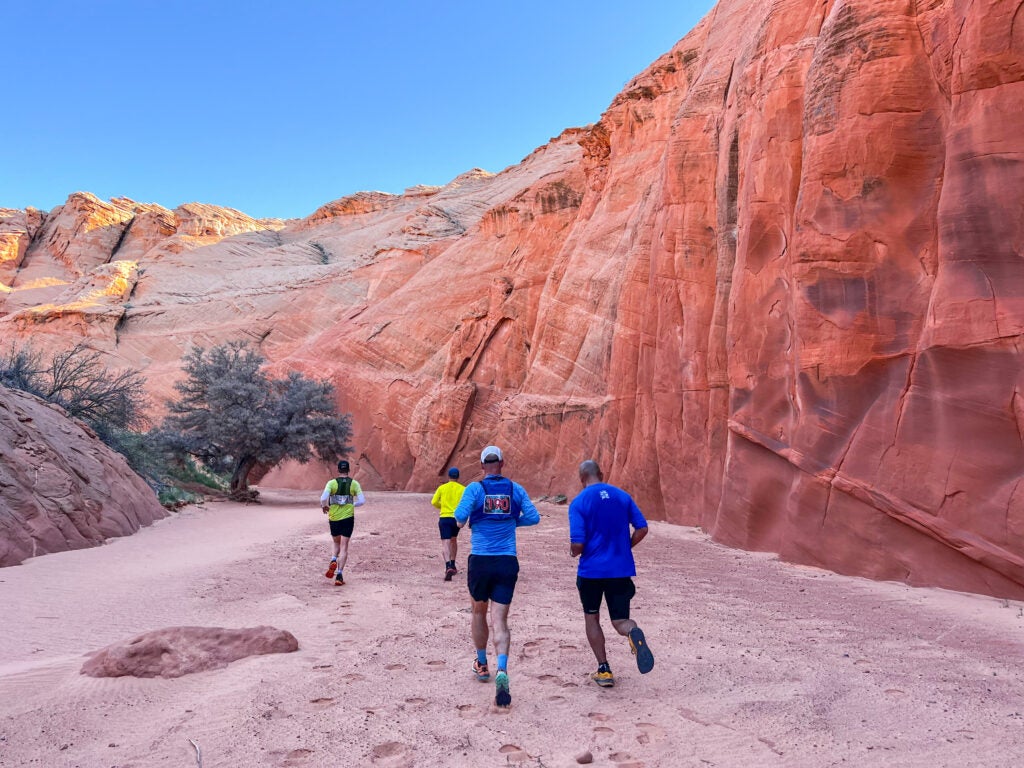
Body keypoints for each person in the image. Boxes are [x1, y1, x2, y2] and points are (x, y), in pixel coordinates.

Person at [452, 445, 540, 708]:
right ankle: (502, 668)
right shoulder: (516, 489)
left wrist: (478, 518)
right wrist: (511, 521)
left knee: (479, 612)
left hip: (480, 559)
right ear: (502, 462)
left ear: (482, 466)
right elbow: (534, 518)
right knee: (500, 619)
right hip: (506, 560)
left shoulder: (475, 489)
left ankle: (481, 663)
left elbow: (458, 516)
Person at [569, 459, 654, 687]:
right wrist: (626, 546)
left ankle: (604, 669)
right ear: (602, 473)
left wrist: (572, 552)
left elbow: (577, 544)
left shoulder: (579, 502)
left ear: (581, 478)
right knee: (620, 620)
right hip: (620, 569)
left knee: (592, 617)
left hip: (591, 572)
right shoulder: (622, 496)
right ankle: (633, 632)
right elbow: (642, 528)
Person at [319, 459, 365, 586]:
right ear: (348, 470)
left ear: (338, 470)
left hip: (334, 517)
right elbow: (362, 500)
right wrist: (352, 504)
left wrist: (324, 506)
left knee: (335, 542)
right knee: (344, 546)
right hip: (348, 518)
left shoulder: (331, 483)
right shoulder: (354, 484)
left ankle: (333, 559)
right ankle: (339, 575)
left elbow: (323, 498)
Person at [431, 467, 466, 581]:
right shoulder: (462, 489)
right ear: (458, 477)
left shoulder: (442, 488)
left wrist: (443, 506)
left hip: (445, 517)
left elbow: (434, 501)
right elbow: (465, 503)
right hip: (456, 518)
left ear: (449, 477)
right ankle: (453, 563)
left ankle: (447, 566)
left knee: (445, 542)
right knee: (453, 540)